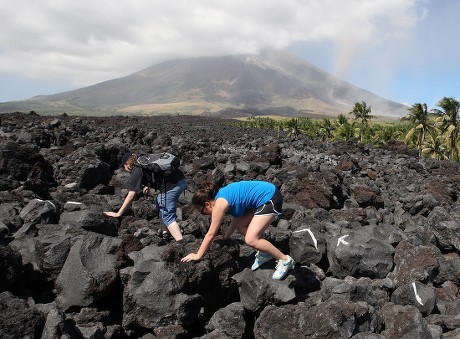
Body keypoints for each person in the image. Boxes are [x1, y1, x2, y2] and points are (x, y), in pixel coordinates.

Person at [181, 180, 294, 280]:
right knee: (241, 225)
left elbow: (211, 234)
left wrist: (198, 255)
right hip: (264, 196)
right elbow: (236, 220)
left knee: (250, 239)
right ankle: (265, 252)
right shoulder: (221, 197)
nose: (203, 214)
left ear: (207, 204)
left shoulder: (219, 205)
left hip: (269, 198)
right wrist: (226, 236)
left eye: (202, 211)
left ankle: (284, 260)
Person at [103, 151, 185, 241]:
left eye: (123, 166)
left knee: (167, 215)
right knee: (159, 200)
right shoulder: (143, 160)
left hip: (172, 186)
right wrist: (146, 185)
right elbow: (153, 173)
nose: (124, 168)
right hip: (181, 180)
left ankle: (181, 242)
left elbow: (131, 195)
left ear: (127, 164)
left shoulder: (136, 170)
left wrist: (118, 213)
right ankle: (165, 232)